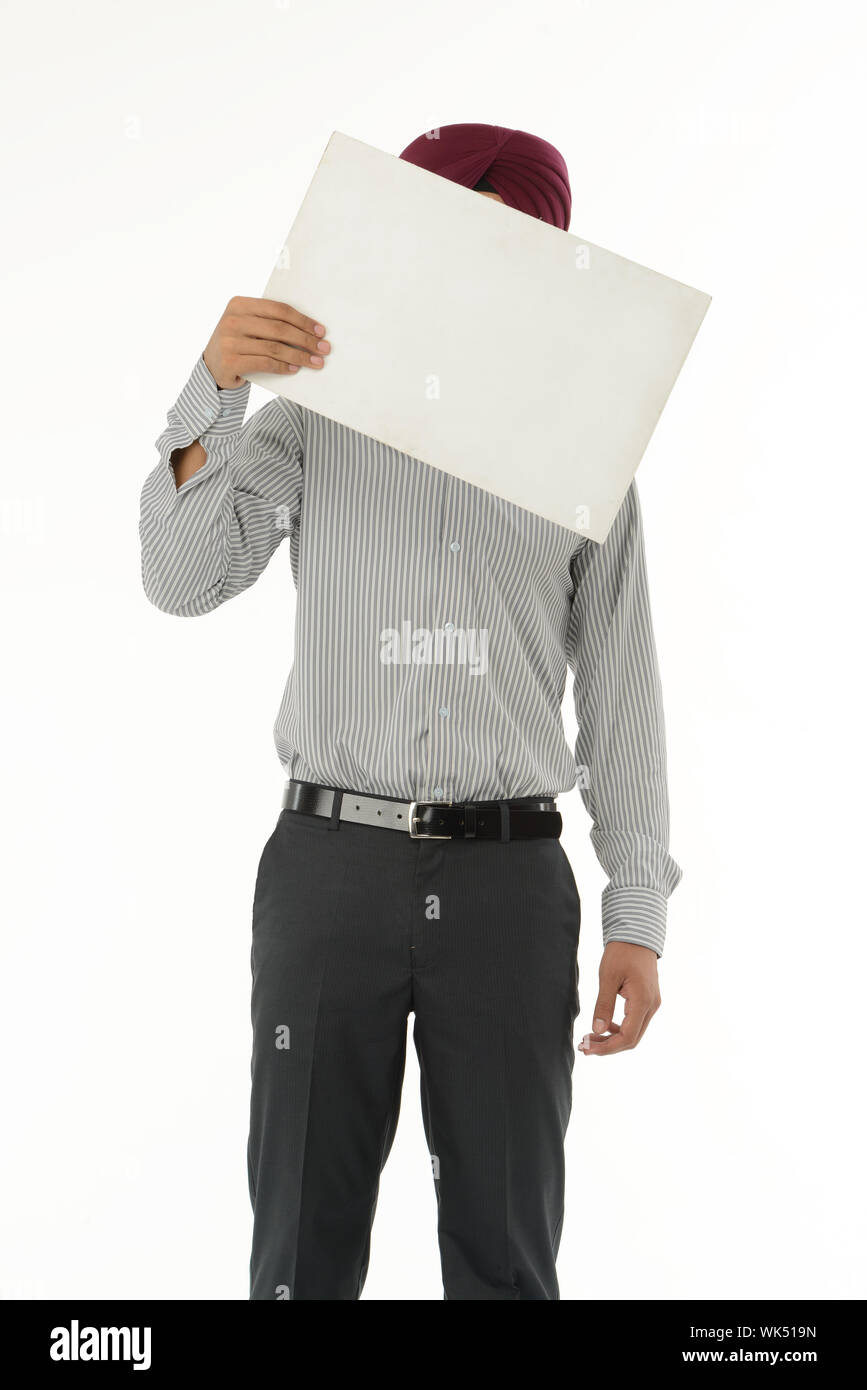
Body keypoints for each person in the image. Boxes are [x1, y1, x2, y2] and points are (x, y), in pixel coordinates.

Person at [139, 122, 682, 1301]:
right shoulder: (314, 419)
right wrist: (218, 386)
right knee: (297, 1247)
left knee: (505, 1257)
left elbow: (623, 679)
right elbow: (182, 581)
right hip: (328, 868)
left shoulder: (588, 451)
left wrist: (636, 909)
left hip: (509, 885)